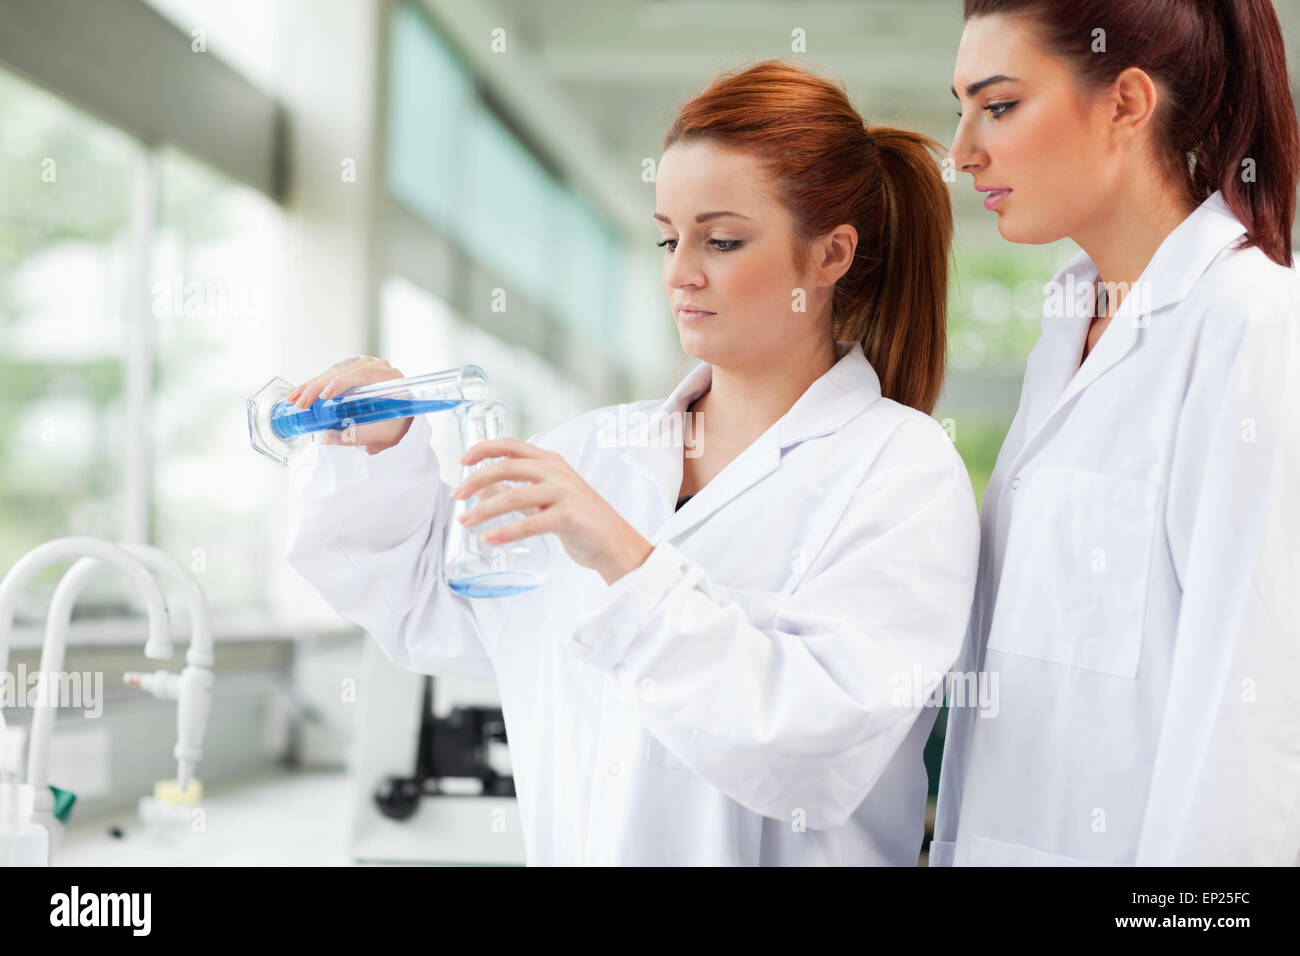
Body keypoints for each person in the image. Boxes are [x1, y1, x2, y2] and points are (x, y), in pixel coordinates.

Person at [285, 60, 979, 865]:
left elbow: (812, 756)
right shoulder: (589, 454)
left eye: (721, 240)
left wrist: (624, 558)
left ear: (829, 257)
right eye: (668, 235)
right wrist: (381, 451)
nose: (680, 271)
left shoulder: (901, 470)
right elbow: (425, 611)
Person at [934, 0, 1300, 865]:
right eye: (961, 109)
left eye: (999, 105)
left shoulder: (1253, 328)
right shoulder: (1066, 334)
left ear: (1128, 103)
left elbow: (1251, 727)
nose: (962, 152)